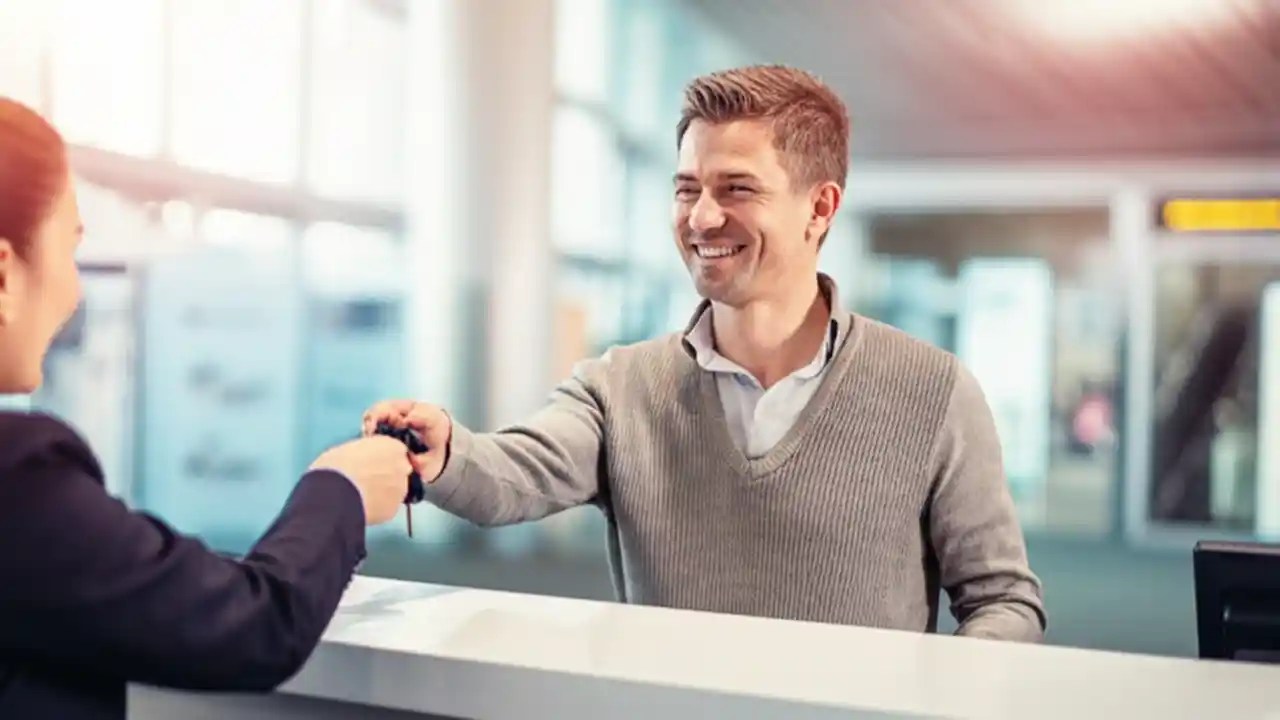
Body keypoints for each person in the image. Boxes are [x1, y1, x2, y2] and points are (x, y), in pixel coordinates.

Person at [365, 65, 1046, 641]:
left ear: (819, 208)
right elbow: (512, 475)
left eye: (736, 188)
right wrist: (448, 451)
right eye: (687, 188)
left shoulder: (933, 390)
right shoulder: (621, 386)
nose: (700, 217)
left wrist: (940, 693)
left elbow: (1002, 600)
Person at [0, 97, 415, 720]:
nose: (74, 288)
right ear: (4, 277)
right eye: (69, 249)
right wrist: (343, 489)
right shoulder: (17, 476)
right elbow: (253, 624)